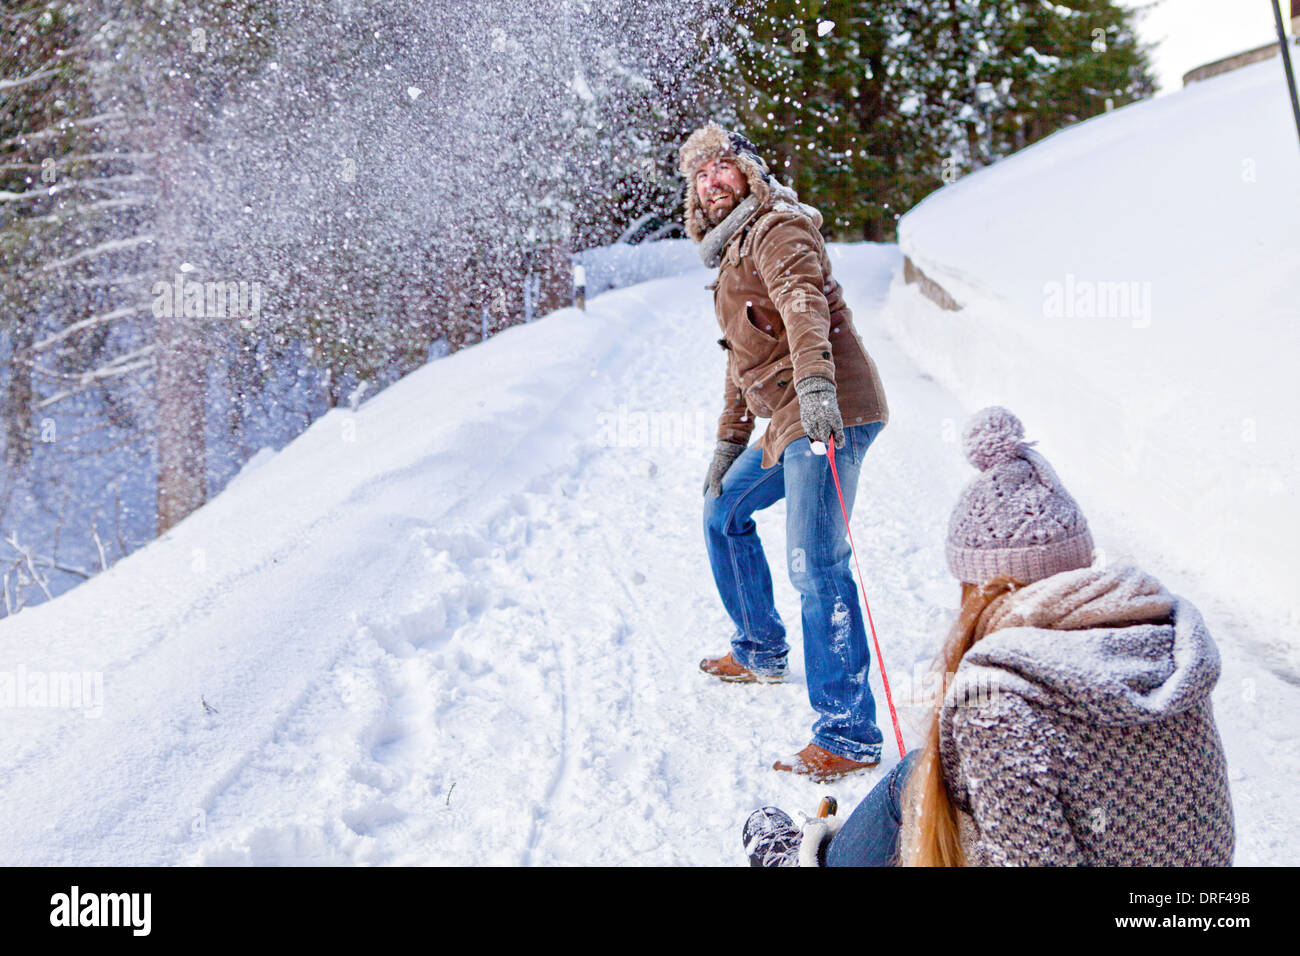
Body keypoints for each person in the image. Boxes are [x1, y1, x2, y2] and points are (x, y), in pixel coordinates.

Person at [744, 407, 1235, 866]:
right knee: (918, 773)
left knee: (916, 782)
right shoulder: (1162, 646)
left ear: (983, 588)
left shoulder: (1001, 710)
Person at [681, 122, 890, 781]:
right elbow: (741, 360)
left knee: (816, 565)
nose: (711, 180)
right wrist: (728, 441)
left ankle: (848, 734)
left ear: (747, 170)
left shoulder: (777, 228)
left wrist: (818, 388)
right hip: (785, 419)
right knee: (722, 507)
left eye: (721, 165)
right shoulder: (731, 248)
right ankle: (761, 647)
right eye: (698, 174)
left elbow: (804, 309)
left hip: (831, 407)